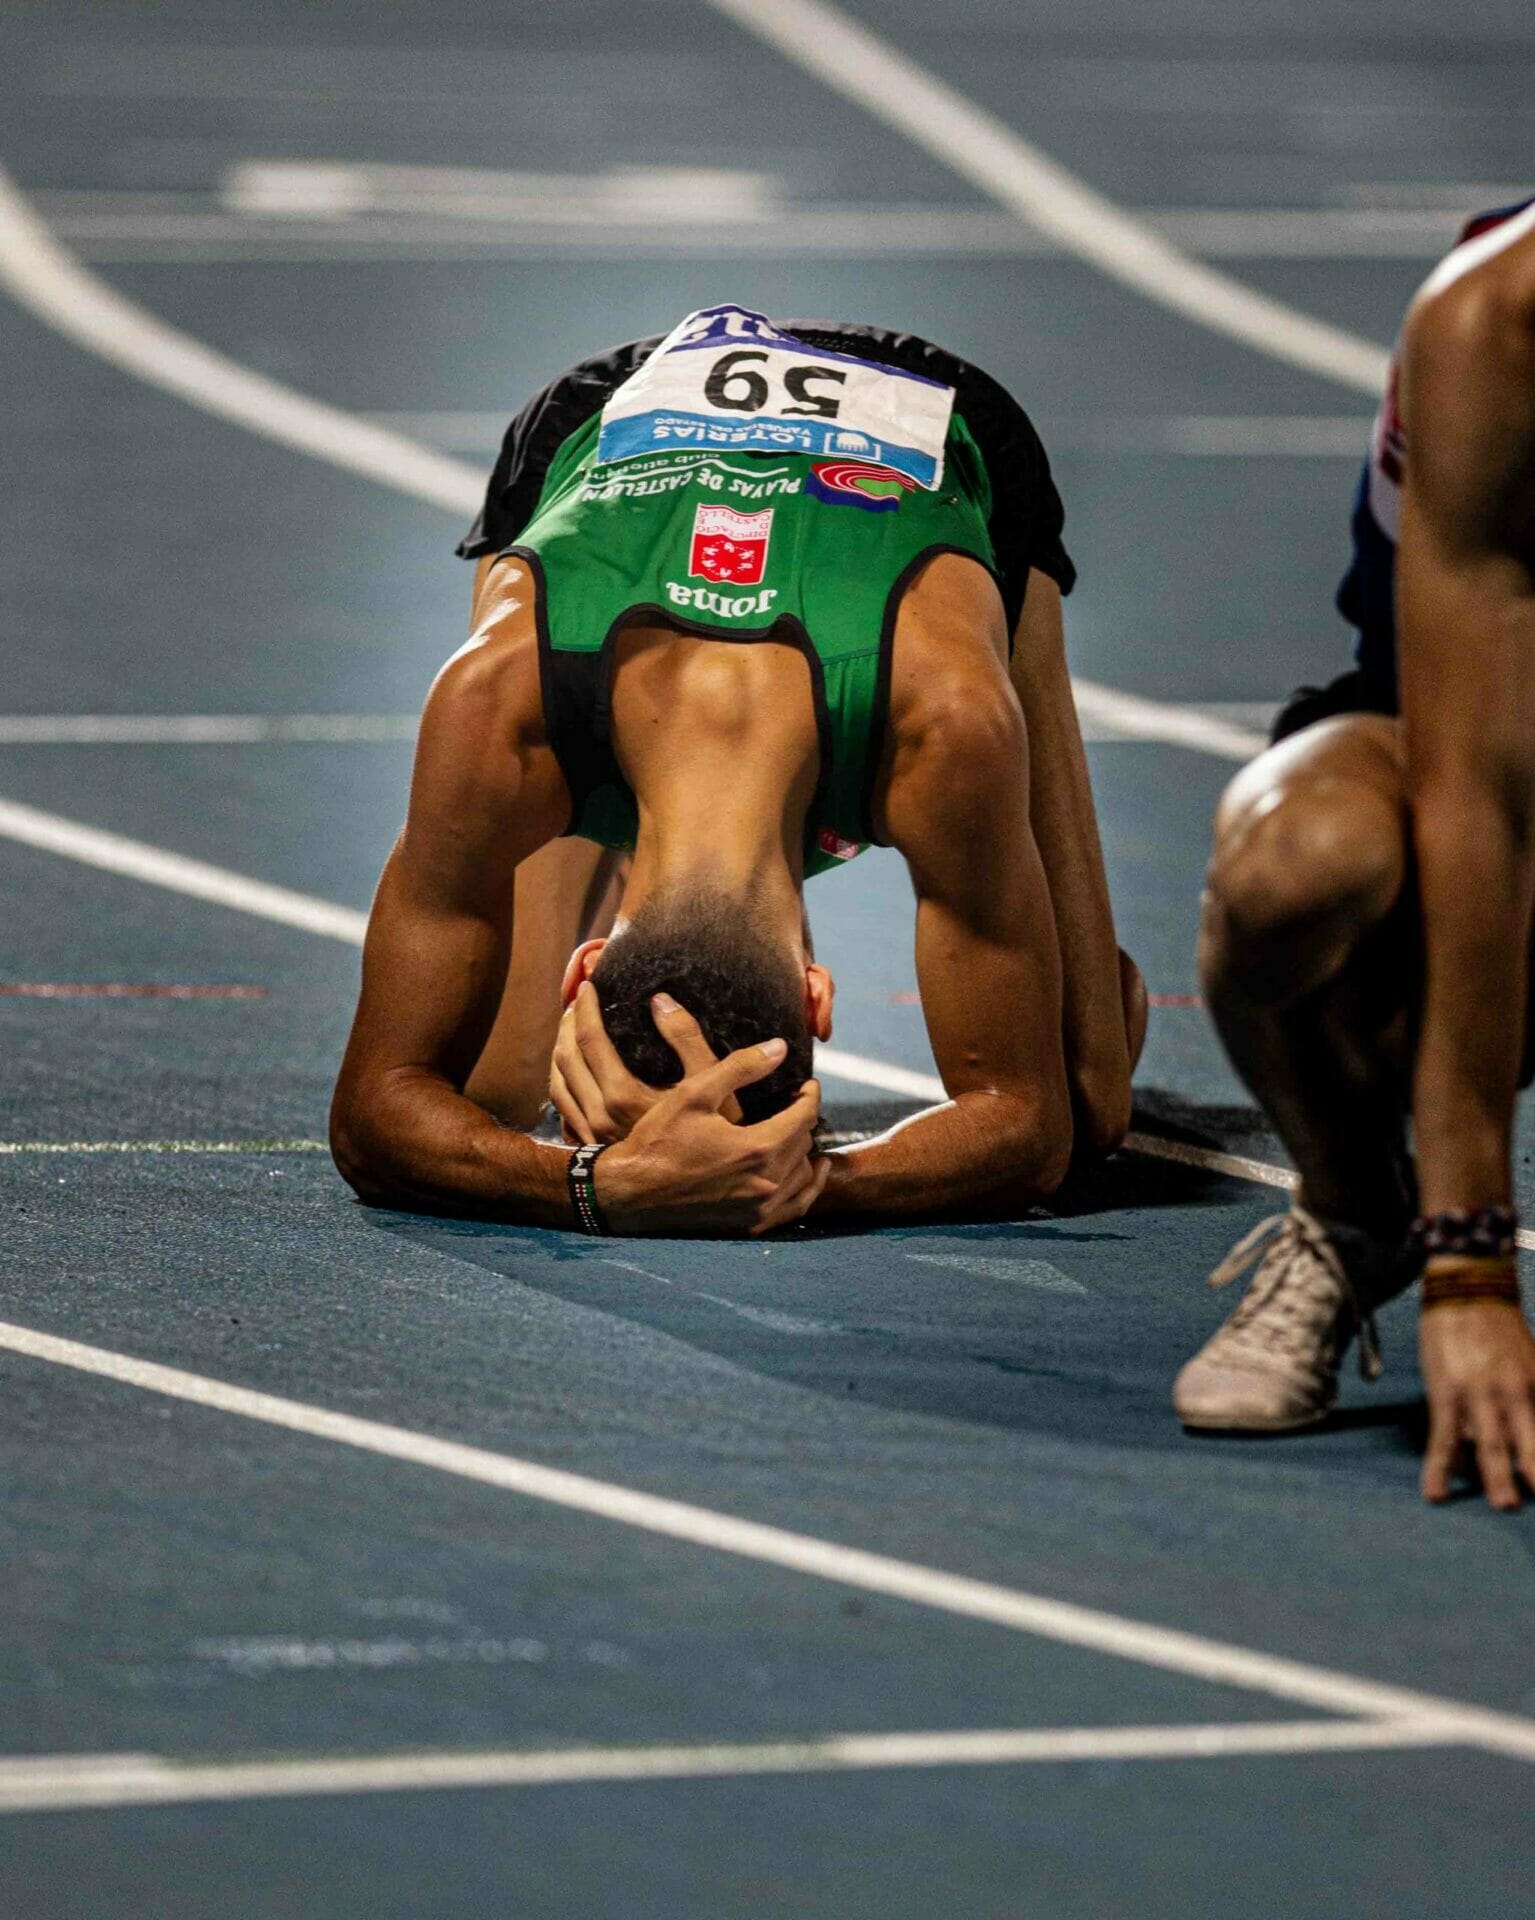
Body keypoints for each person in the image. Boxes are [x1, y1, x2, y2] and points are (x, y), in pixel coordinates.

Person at [331, 305, 1143, 1237]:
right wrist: (640, 1182)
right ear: (816, 995)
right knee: (492, 1086)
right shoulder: (504, 707)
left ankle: (601, 820)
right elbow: (372, 1121)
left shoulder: (945, 717)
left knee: (1090, 1097)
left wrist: (761, 1183)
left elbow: (1033, 1130)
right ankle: (601, 821)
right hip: (615, 453)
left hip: (938, 430)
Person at [1175, 201, 1535, 1508]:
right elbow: (1475, 794)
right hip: (1456, 740)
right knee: (1297, 868)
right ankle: (1350, 1209)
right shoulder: (1492, 318)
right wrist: (1468, 1261)